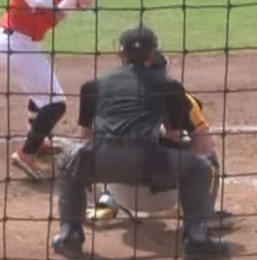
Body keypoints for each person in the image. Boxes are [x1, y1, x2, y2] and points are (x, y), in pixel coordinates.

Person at [51, 25, 231, 260]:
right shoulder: (168, 85)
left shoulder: (94, 85)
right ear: (153, 54)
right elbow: (178, 136)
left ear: (122, 54)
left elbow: (85, 138)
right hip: (148, 163)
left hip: (104, 163)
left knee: (70, 162)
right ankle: (196, 237)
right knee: (199, 167)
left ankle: (70, 235)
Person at [86, 53, 235, 233]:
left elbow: (89, 138)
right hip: (163, 197)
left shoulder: (110, 93)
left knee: (107, 142)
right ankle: (204, 215)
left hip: (121, 191)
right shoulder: (179, 95)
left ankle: (105, 203)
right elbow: (199, 144)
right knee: (207, 154)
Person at [0, 0, 92, 180]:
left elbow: (65, 9)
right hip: (14, 44)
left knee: (43, 93)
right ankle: (26, 154)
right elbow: (46, 9)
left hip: (19, 43)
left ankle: (39, 140)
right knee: (56, 104)